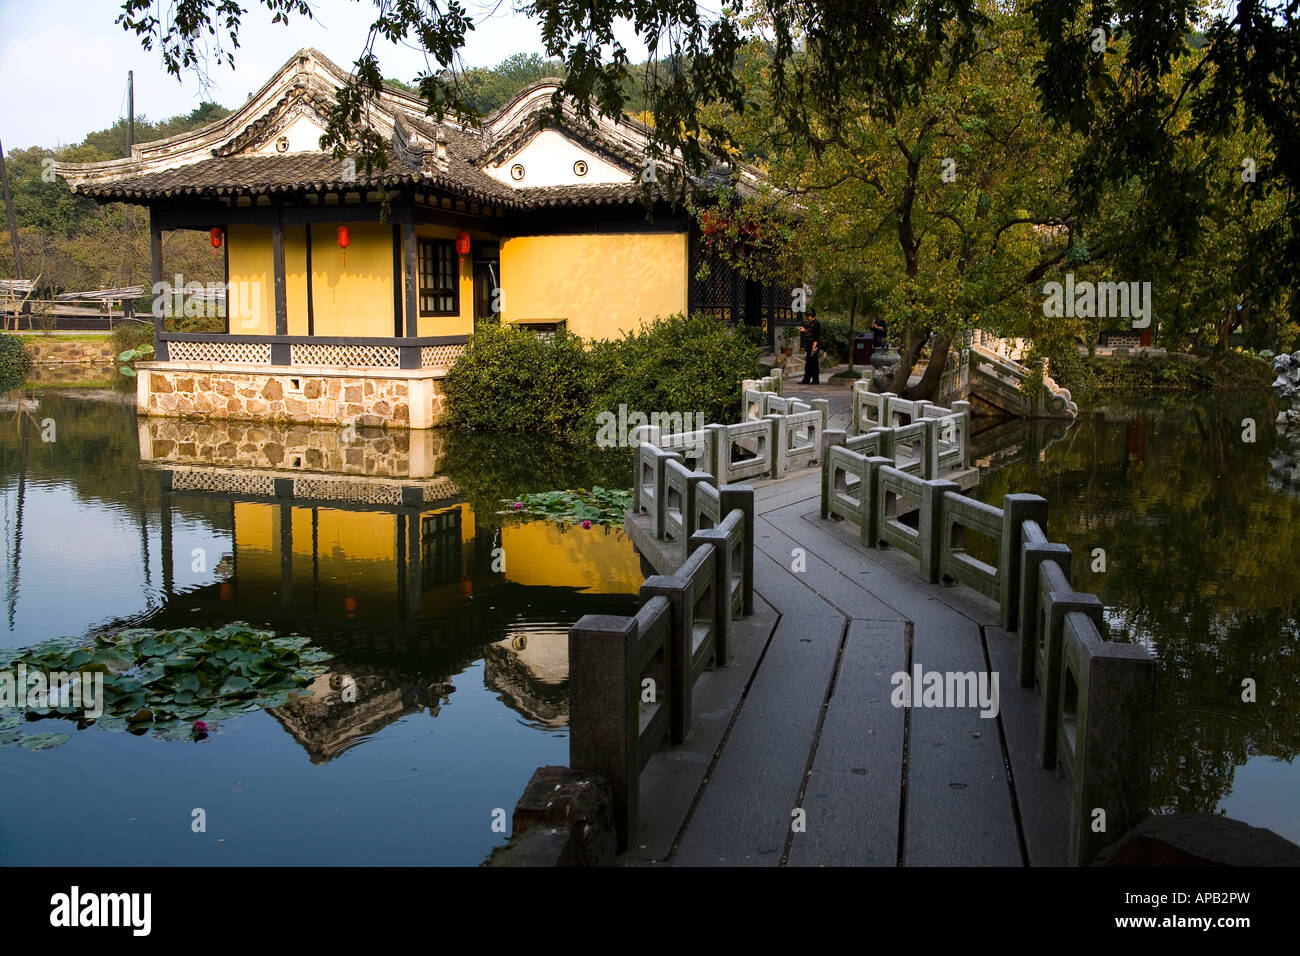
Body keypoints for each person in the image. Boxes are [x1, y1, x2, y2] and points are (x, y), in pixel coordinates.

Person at [799, 312, 822, 385]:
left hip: (813, 345)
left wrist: (814, 347)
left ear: (811, 316)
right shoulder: (811, 323)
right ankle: (806, 379)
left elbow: (816, 336)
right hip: (809, 346)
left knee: (813, 363)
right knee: (808, 363)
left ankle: (815, 380)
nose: (807, 318)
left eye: (808, 316)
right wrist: (804, 330)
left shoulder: (816, 323)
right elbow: (810, 332)